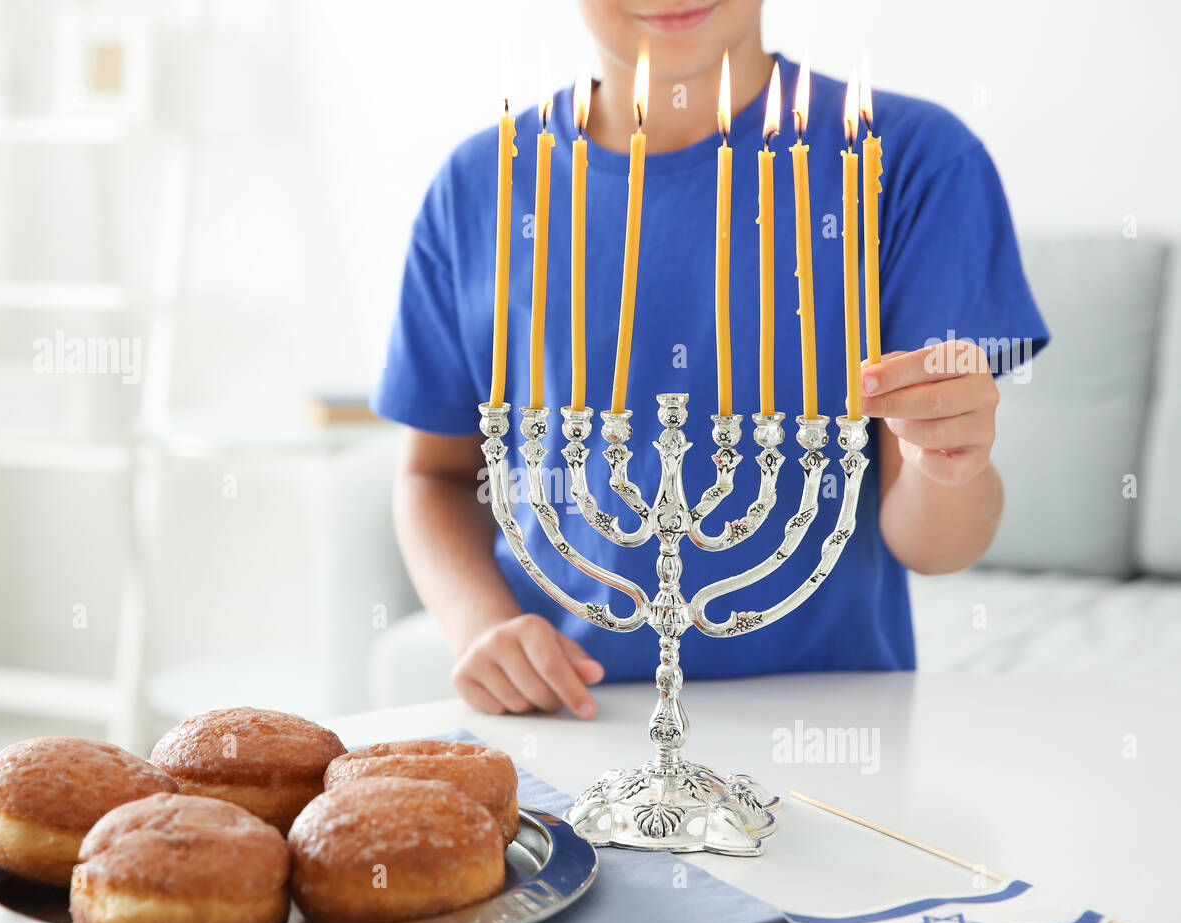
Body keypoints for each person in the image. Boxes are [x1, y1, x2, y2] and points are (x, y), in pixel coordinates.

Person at [371, 0, 1048, 719]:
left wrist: (947, 457)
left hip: (830, 727)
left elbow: (936, 543)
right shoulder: (481, 186)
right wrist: (482, 624)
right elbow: (435, 474)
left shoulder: (913, 160)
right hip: (571, 718)